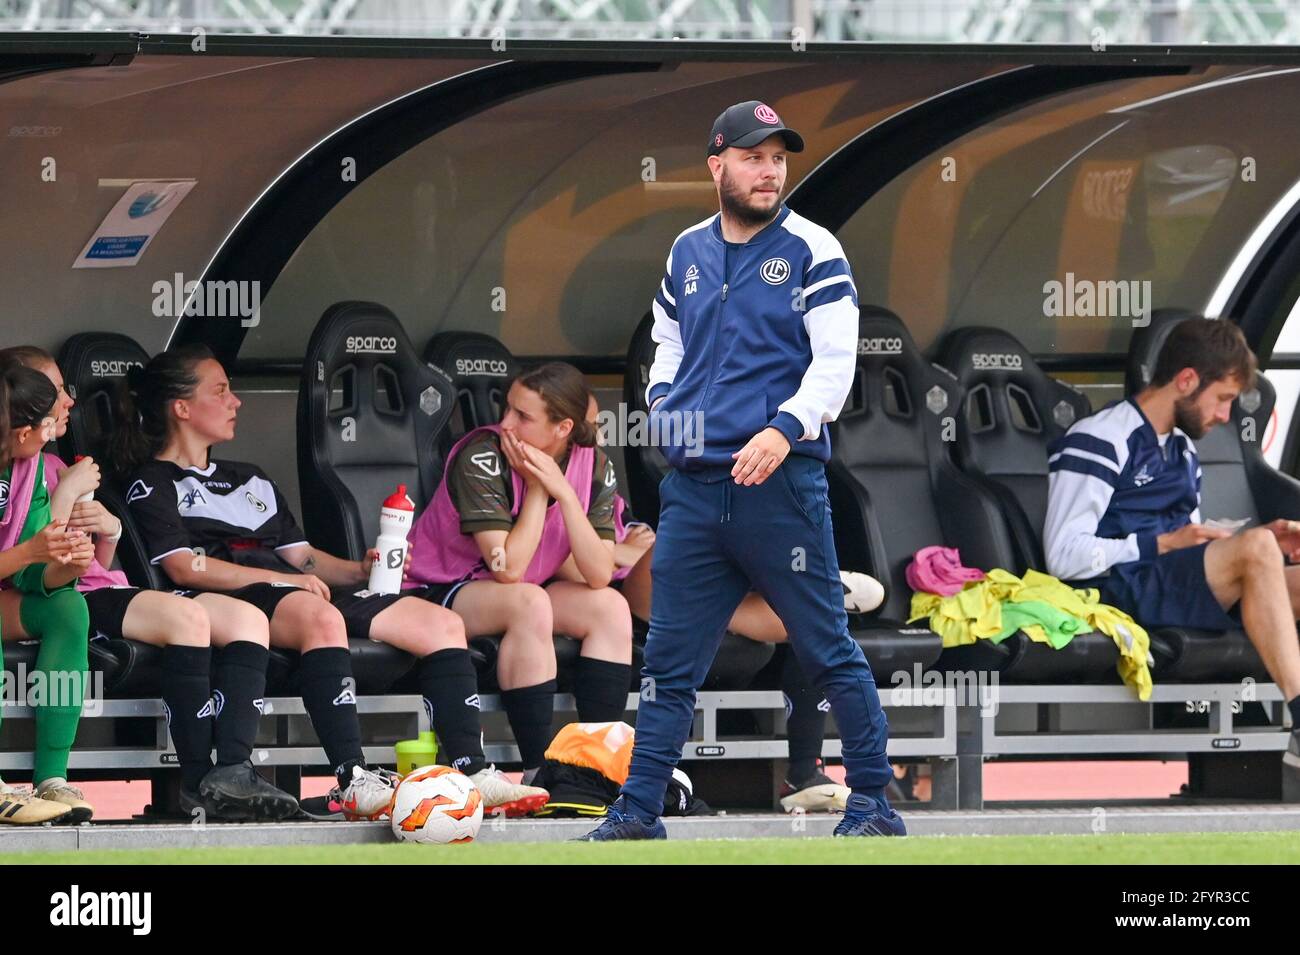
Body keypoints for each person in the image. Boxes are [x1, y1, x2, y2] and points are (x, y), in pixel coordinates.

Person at [579, 101, 902, 840]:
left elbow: (836, 363)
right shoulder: (686, 249)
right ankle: (639, 809)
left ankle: (874, 800)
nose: (769, 171)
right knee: (666, 658)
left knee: (824, 645)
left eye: (779, 159)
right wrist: (661, 397)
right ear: (717, 165)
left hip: (778, 481)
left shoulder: (816, 247)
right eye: (754, 157)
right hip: (693, 485)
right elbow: (664, 335)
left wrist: (787, 428)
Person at [111, 345, 547, 818]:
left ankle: (473, 770)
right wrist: (284, 582)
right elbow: (182, 568)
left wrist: (360, 569)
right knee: (319, 614)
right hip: (230, 599)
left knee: (440, 625)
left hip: (294, 591)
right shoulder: (153, 481)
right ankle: (353, 779)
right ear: (182, 408)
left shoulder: (250, 478)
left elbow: (304, 559)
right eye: (221, 392)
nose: (236, 401)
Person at [1, 345, 298, 820]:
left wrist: (108, 531)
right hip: (65, 594)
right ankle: (198, 780)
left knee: (246, 618)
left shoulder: (47, 463)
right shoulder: (40, 468)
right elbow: (34, 556)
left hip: (87, 584)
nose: (68, 402)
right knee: (185, 615)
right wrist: (66, 495)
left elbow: (84, 560)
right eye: (57, 391)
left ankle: (234, 770)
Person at [584, 394, 886, 811]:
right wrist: (617, 550)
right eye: (584, 426)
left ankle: (817, 776)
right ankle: (810, 587)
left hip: (712, 582)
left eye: (594, 426)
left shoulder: (597, 471)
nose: (595, 435)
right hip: (635, 605)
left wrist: (620, 549)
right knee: (661, 584)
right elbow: (588, 563)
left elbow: (629, 535)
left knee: (811, 632)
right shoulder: (551, 473)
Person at [1043, 317, 1300, 796]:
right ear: (1185, 381)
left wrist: (1260, 543)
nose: (1226, 416)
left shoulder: (1181, 448)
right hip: (1118, 589)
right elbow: (1063, 556)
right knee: (1258, 550)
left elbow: (1190, 545)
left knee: (1282, 560)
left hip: (1170, 583)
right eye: (1222, 399)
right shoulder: (1099, 438)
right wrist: (1160, 544)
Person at [405, 362, 634, 785]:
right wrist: (538, 489)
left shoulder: (593, 464)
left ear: (563, 428)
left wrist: (564, 492)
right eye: (507, 408)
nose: (506, 424)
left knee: (609, 607)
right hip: (441, 587)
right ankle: (537, 770)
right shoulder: (483, 455)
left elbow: (600, 573)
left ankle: (601, 768)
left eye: (522, 416)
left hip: (528, 585)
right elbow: (506, 569)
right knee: (530, 601)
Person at [0, 359, 92, 823]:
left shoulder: (29, 466)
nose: (53, 431)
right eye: (47, 424)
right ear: (20, 433)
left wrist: (61, 564)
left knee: (69, 609)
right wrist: (31, 552)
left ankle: (52, 778)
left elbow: (30, 572)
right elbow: (21, 554)